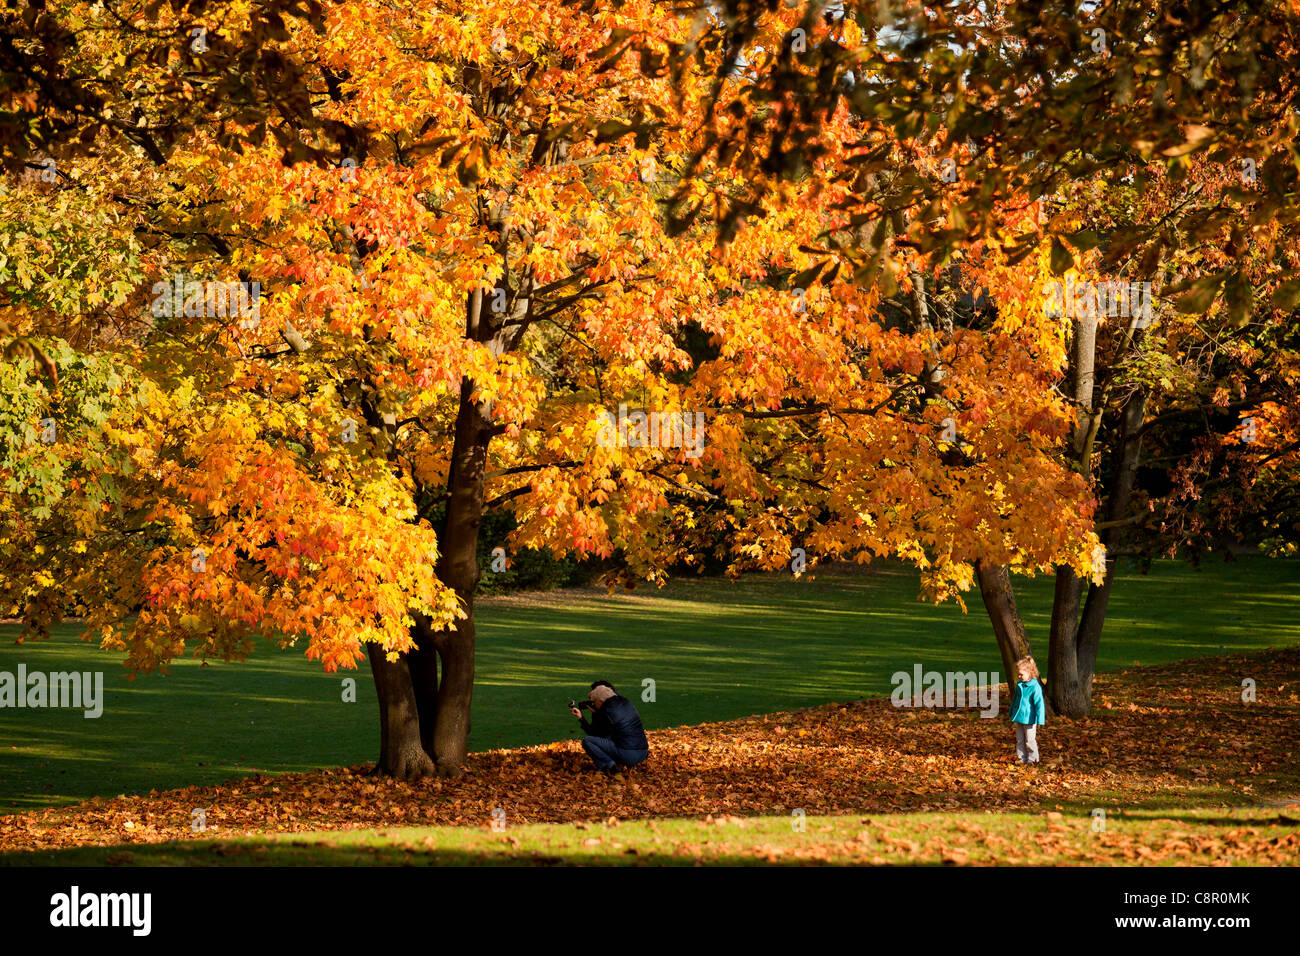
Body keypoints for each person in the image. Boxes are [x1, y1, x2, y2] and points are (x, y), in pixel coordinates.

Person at [571, 680, 649, 774]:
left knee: (588, 741)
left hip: (629, 755)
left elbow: (595, 734)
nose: (593, 704)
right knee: (616, 736)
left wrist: (581, 718)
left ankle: (608, 766)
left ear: (600, 701)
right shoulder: (625, 702)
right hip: (643, 751)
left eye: (594, 702)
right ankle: (630, 764)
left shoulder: (606, 713)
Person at [1009, 656, 1045, 764]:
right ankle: (1021, 758)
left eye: (1021, 674)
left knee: (1030, 740)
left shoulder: (1035, 687)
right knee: (1020, 739)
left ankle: (1033, 759)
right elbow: (1015, 700)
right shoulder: (1019, 685)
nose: (1019, 676)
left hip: (1030, 718)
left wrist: (1040, 720)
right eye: (1018, 674)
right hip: (1019, 717)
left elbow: (1039, 704)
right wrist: (1011, 712)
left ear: (1029, 672)